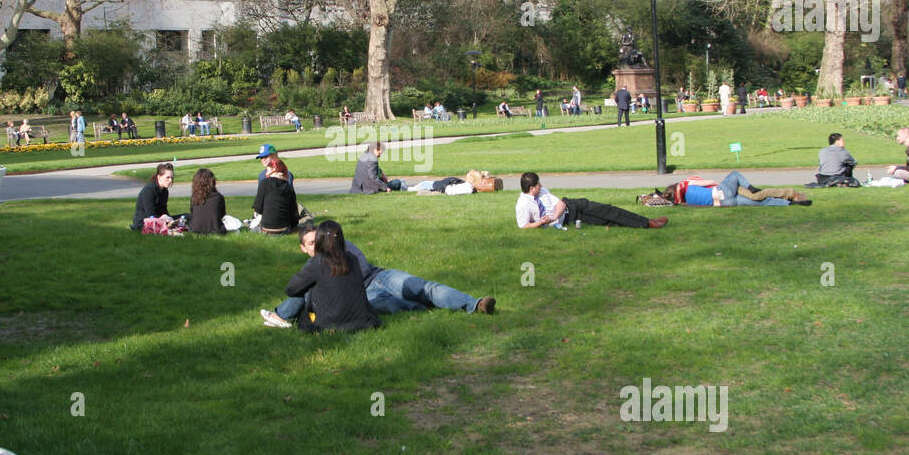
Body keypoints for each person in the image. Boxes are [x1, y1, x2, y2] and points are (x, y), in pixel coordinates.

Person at [261, 223, 495, 327]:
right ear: (303, 248)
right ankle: (430, 309)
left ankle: (473, 304)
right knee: (397, 305)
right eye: (310, 244)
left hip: (378, 277)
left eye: (318, 240)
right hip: (363, 295)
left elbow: (359, 270)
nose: (316, 246)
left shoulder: (342, 248)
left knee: (423, 287)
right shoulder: (316, 265)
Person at [280, 220, 381, 333]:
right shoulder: (352, 258)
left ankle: (280, 314)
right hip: (363, 321)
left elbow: (291, 289)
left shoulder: (317, 262)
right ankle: (280, 314)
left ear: (319, 240)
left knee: (305, 308)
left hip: (330, 323)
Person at [517, 172, 668, 230]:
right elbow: (523, 225)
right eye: (538, 185)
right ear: (531, 189)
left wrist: (554, 217)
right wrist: (541, 223)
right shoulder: (523, 204)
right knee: (605, 221)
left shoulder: (542, 191)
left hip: (572, 206)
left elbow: (560, 204)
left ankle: (648, 222)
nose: (541, 186)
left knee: (607, 210)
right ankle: (641, 225)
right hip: (570, 220)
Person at [674, 172, 810, 206]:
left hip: (726, 202)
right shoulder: (689, 183)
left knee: (759, 200)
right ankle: (791, 196)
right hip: (725, 191)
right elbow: (711, 182)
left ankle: (791, 200)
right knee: (757, 196)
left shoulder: (687, 202)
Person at [253, 155, 299, 234]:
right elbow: (293, 212)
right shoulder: (288, 186)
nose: (266, 171)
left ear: (274, 169)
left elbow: (258, 209)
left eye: (268, 168)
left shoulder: (264, 183)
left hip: (266, 228)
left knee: (252, 228)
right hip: (285, 228)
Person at [131, 163, 175, 231]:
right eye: (168, 177)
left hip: (159, 219)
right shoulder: (149, 190)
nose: (170, 180)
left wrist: (170, 220)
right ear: (159, 177)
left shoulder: (165, 191)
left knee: (187, 217)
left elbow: (163, 210)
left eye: (172, 178)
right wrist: (165, 220)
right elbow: (150, 214)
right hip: (143, 222)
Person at [187, 168, 227, 233]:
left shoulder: (194, 197)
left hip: (195, 229)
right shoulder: (218, 197)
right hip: (216, 229)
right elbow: (222, 213)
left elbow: (192, 213)